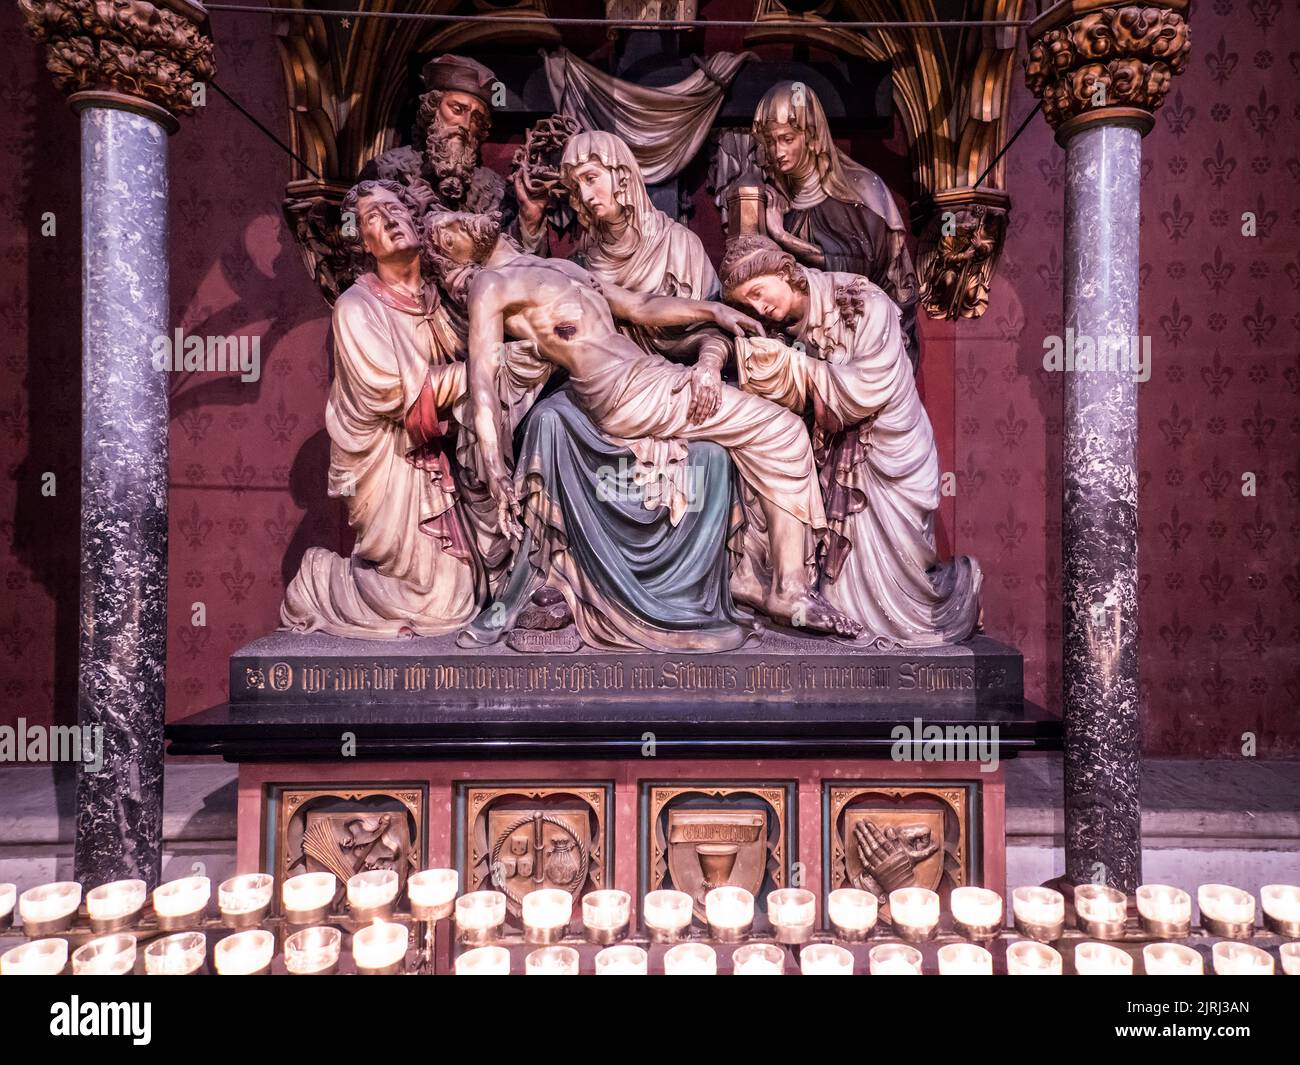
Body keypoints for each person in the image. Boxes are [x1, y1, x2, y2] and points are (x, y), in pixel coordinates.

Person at [427, 211, 861, 639]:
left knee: (761, 427)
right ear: (452, 258)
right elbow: (481, 382)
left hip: (647, 376)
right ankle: (789, 591)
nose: (459, 221)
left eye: (454, 216)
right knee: (782, 431)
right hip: (622, 393)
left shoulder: (557, 267)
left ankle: (749, 574)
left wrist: (713, 311)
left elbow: (640, 306)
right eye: (446, 232)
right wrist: (495, 468)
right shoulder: (491, 285)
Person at [721, 234, 981, 647]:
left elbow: (868, 386)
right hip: (845, 454)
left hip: (891, 450)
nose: (758, 306)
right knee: (842, 590)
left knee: (901, 569)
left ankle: (918, 626)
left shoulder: (861, 301)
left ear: (785, 272)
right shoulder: (787, 325)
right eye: (746, 303)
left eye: (758, 292)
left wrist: (796, 366)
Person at [280, 180, 483, 637]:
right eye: (374, 218)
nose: (390, 220)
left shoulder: (444, 298)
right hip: (391, 460)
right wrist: (486, 368)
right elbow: (394, 393)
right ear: (363, 242)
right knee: (442, 600)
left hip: (448, 451)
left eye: (396, 210)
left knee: (463, 594)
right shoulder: (356, 307)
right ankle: (320, 581)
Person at [751, 81, 919, 363]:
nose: (777, 151)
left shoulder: (863, 194)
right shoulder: (775, 202)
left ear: (812, 135)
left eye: (787, 139)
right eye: (770, 141)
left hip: (866, 345)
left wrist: (783, 237)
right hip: (803, 356)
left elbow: (856, 276)